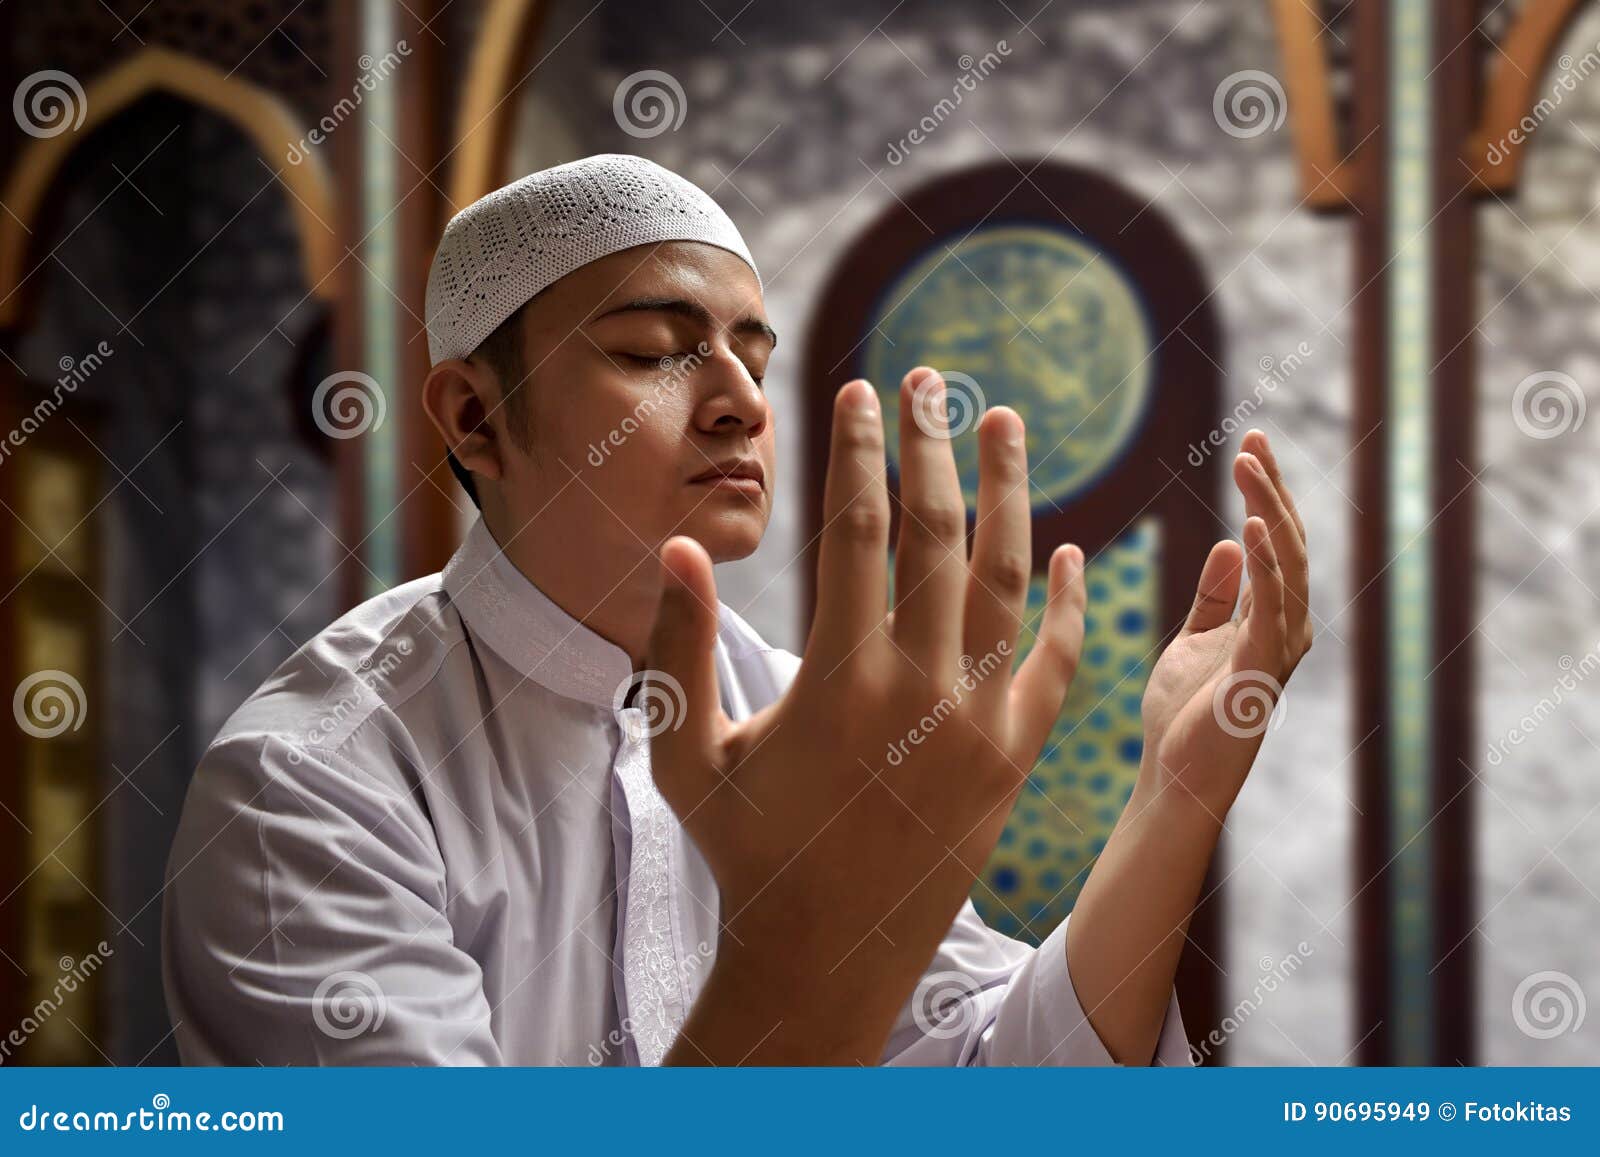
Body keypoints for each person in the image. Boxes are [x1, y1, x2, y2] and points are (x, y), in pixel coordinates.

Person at [161, 154, 1312, 1066]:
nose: (739, 403)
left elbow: (993, 1074)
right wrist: (801, 938)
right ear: (473, 417)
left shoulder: (781, 701)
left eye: (752, 356)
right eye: (658, 352)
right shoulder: (308, 786)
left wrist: (1177, 787)